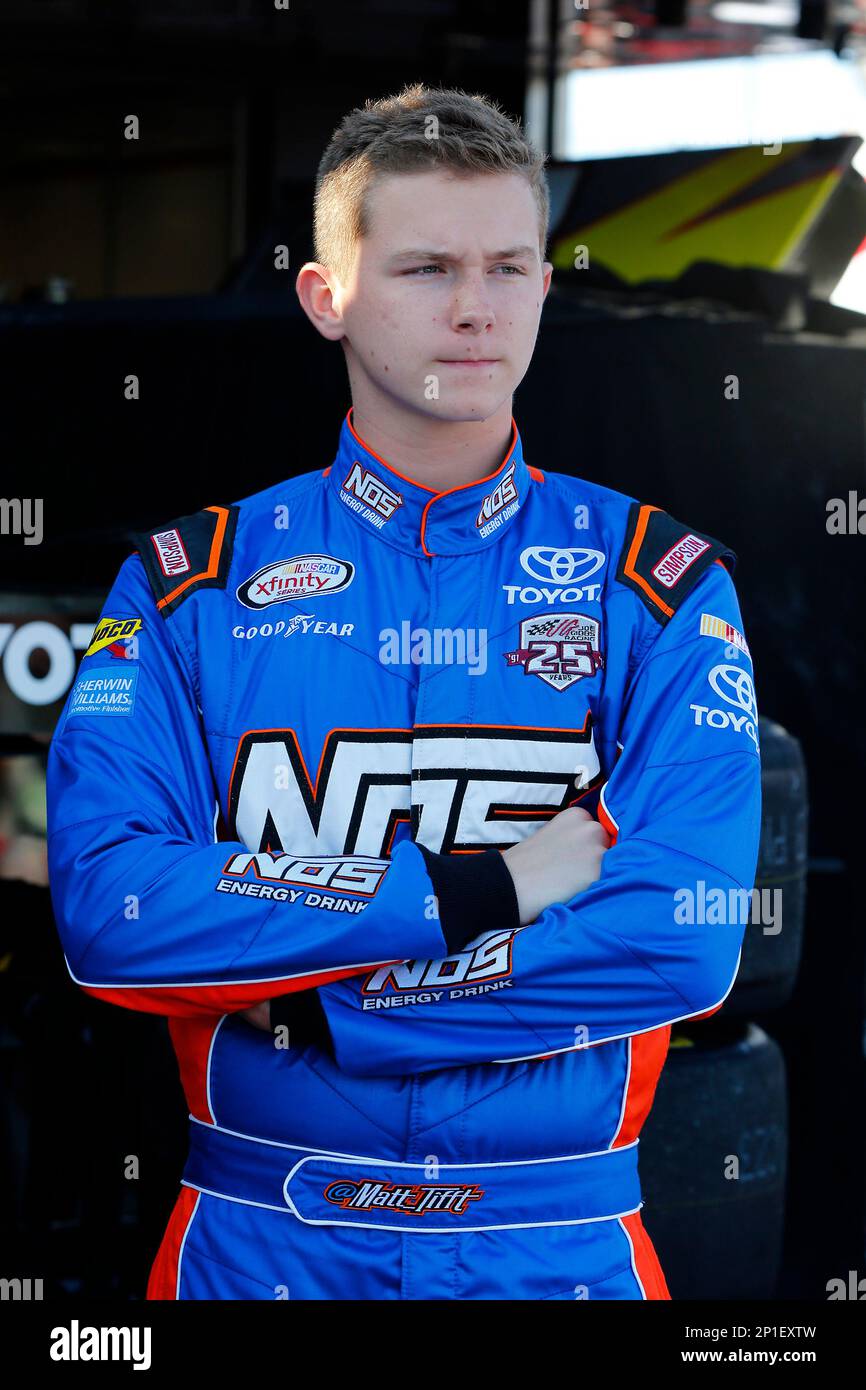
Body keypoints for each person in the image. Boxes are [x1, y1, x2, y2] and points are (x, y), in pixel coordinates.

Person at [46, 83, 761, 1301]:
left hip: (559, 1248)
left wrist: (335, 1010)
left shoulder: (657, 584)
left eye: (507, 266)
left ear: (545, 284)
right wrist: (481, 887)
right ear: (328, 296)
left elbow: (678, 937)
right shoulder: (186, 587)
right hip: (259, 1235)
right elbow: (113, 912)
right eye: (426, 267)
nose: (475, 310)